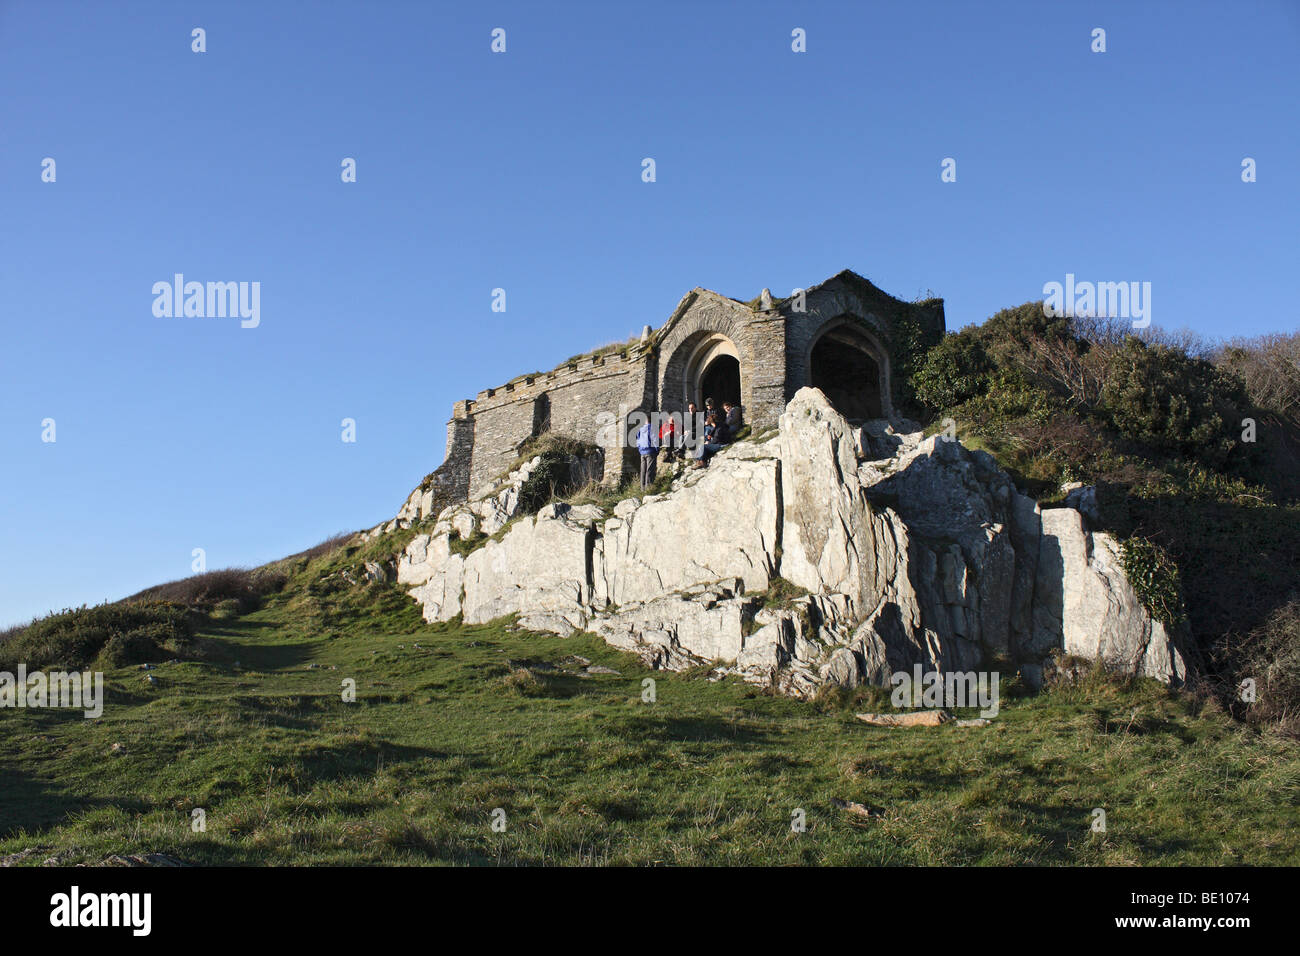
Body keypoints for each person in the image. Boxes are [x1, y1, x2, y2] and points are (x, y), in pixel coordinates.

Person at [635, 416, 658, 488]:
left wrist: (640, 450)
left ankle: (642, 488)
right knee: (649, 470)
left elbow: (638, 441)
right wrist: (657, 450)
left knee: (643, 471)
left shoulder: (640, 429)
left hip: (642, 452)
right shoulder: (652, 428)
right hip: (650, 451)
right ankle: (649, 488)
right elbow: (654, 439)